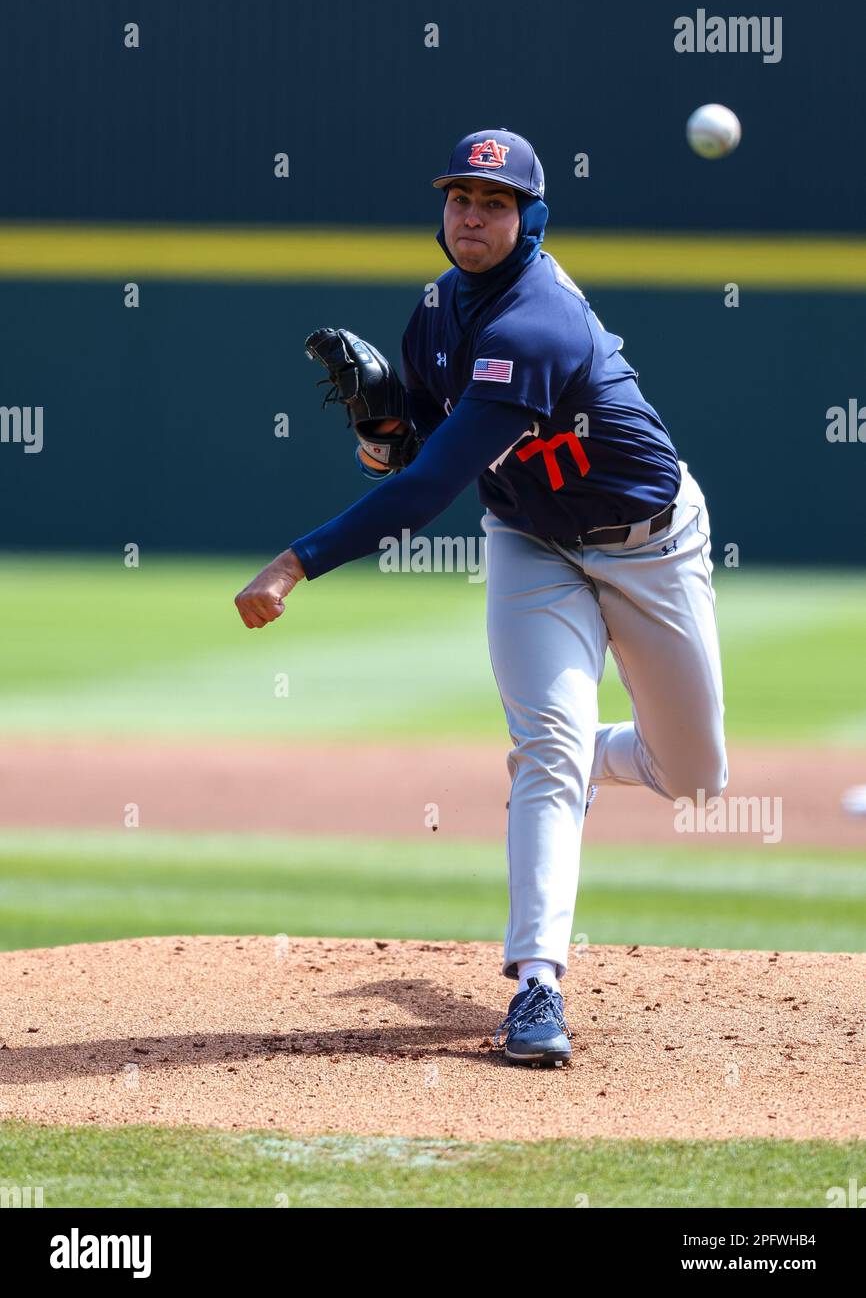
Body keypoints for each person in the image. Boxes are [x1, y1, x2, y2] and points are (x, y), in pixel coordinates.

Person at [234, 129, 728, 1068]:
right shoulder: (436, 313)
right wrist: (384, 429)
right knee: (546, 748)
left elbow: (426, 492)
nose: (471, 214)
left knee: (695, 779)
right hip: (531, 542)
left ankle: (570, 747)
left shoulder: (536, 320)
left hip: (650, 544)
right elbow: (411, 449)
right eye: (460, 197)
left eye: (494, 202)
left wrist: (297, 562)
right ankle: (538, 986)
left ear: (531, 218)